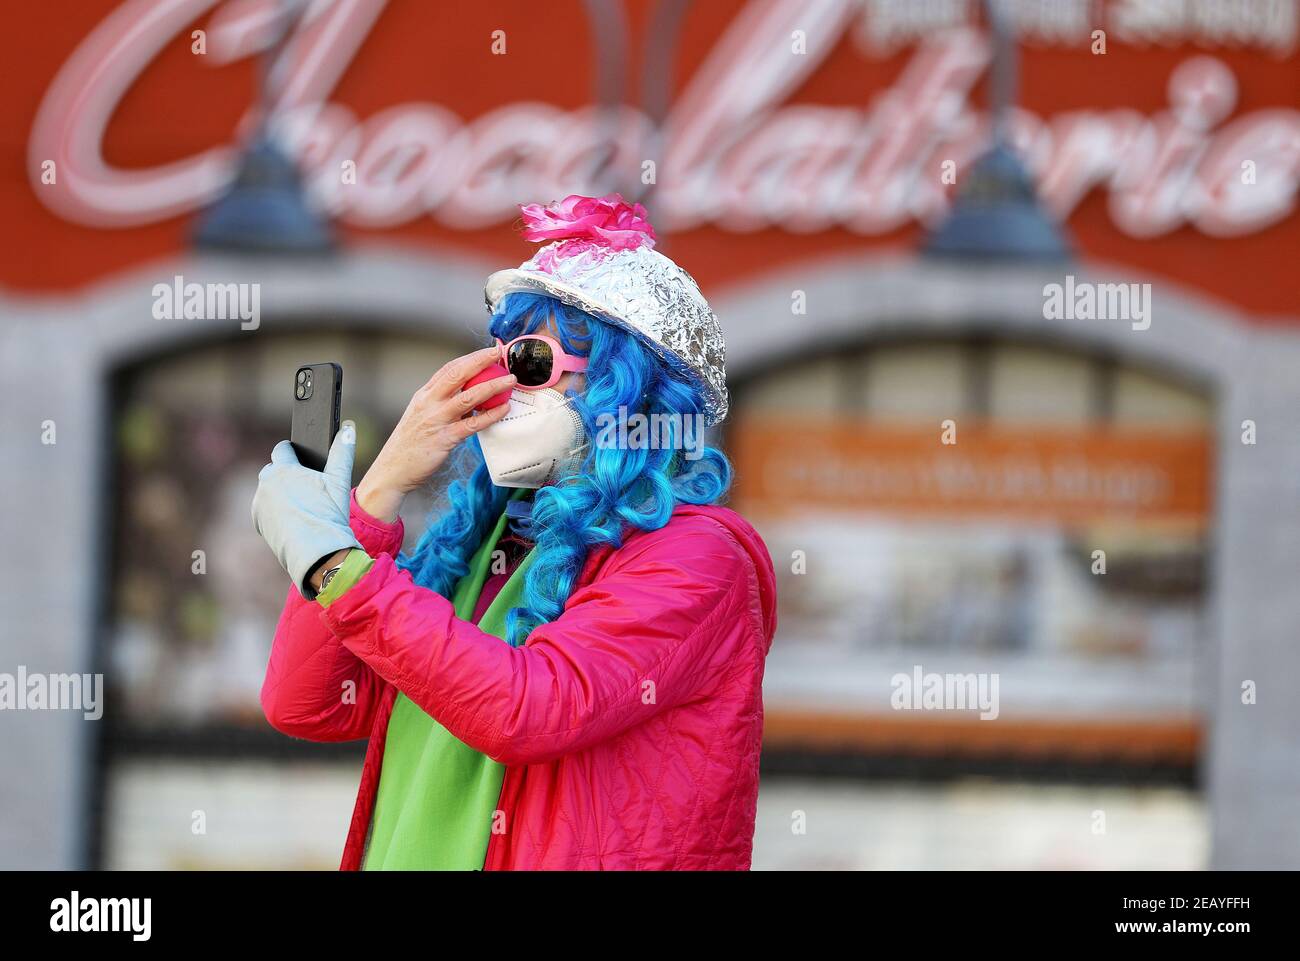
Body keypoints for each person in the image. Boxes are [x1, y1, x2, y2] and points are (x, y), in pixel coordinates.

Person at [252, 194, 777, 870]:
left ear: (628, 388)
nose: (501, 388)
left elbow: (528, 707)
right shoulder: (493, 531)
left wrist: (333, 565)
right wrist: (376, 496)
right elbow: (307, 705)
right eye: (496, 360)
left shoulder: (697, 556)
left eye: (530, 361)